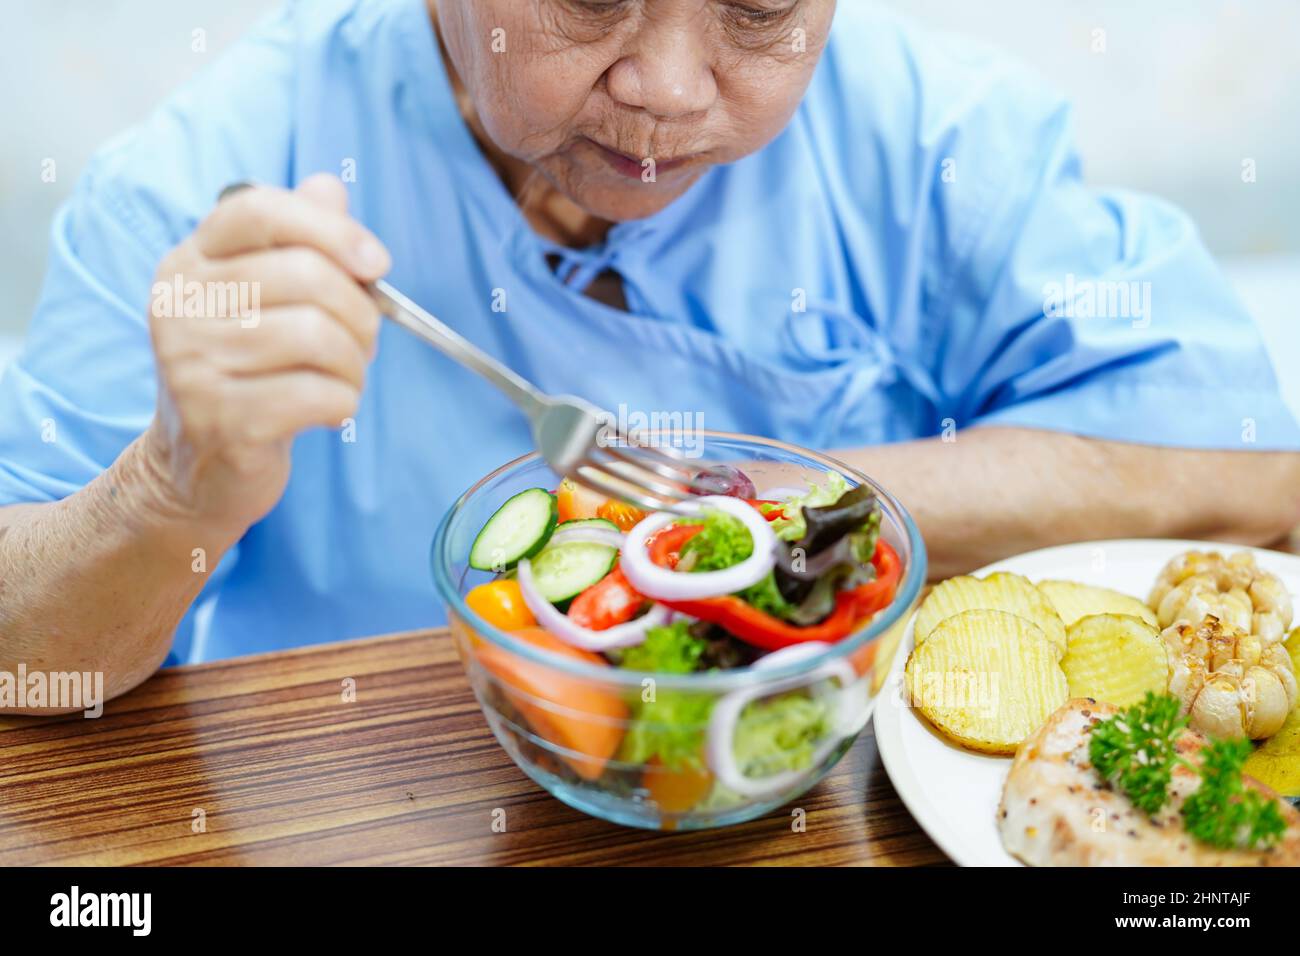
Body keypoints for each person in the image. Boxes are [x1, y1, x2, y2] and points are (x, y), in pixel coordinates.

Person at [1, 0, 1297, 711]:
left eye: (759, 8)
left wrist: (748, 513)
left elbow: (1252, 478)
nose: (672, 87)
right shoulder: (196, 186)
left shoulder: (931, 139)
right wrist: (166, 497)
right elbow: (24, 655)